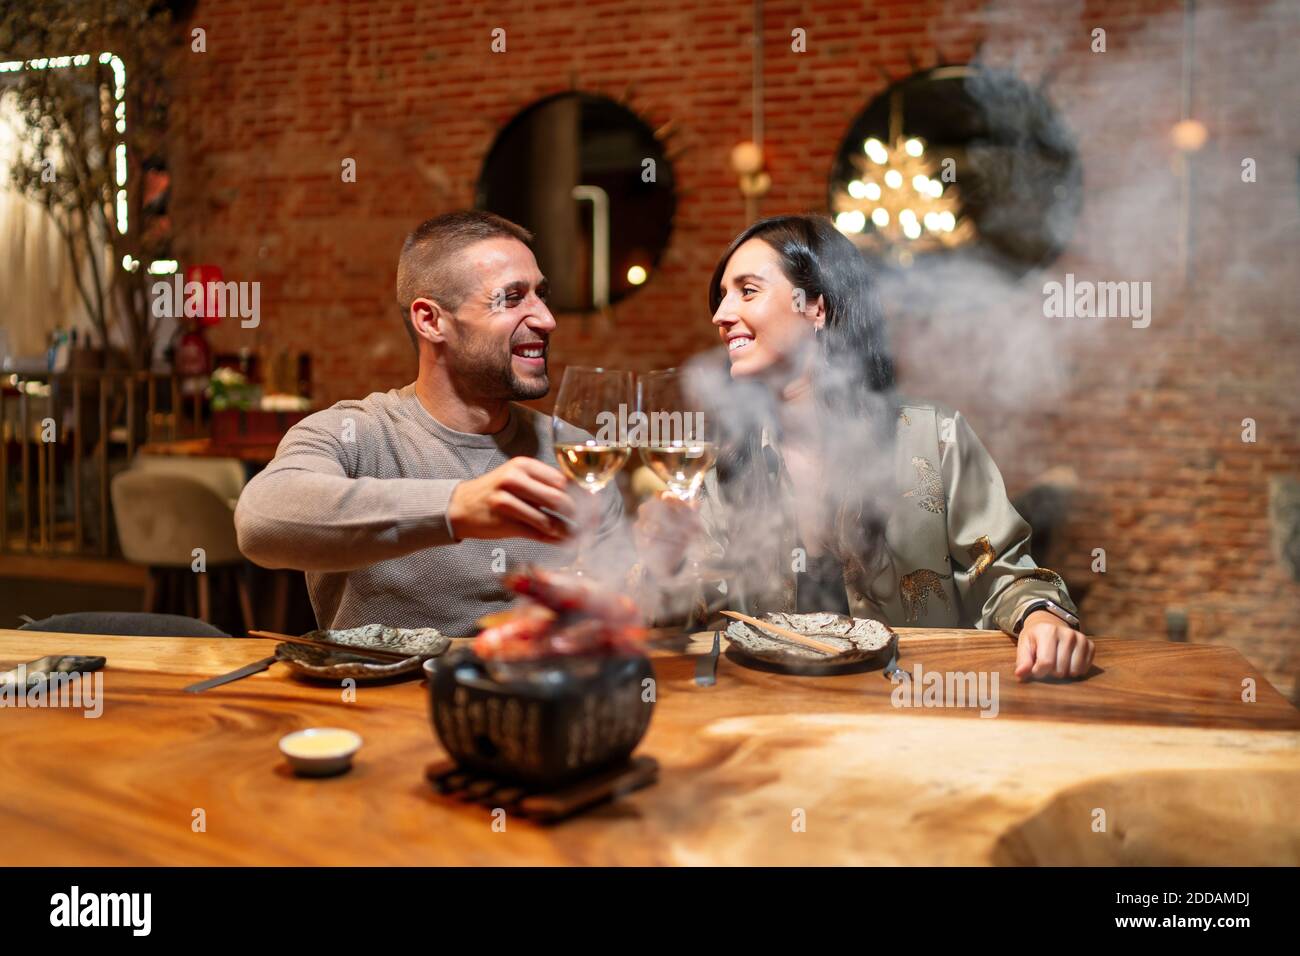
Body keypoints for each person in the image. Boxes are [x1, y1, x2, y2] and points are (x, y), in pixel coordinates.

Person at [635, 215, 1095, 681]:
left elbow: (1009, 574)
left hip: (917, 715)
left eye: (747, 291)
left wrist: (1040, 618)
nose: (720, 314)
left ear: (816, 307)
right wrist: (662, 563)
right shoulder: (731, 465)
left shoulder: (935, 439)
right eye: (721, 297)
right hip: (779, 722)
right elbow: (683, 619)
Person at [235, 210, 620, 636]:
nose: (546, 319)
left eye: (540, 295)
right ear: (431, 320)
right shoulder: (358, 432)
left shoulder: (578, 452)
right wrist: (458, 507)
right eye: (512, 299)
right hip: (380, 700)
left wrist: (669, 568)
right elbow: (261, 520)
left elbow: (629, 610)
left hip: (545, 693)